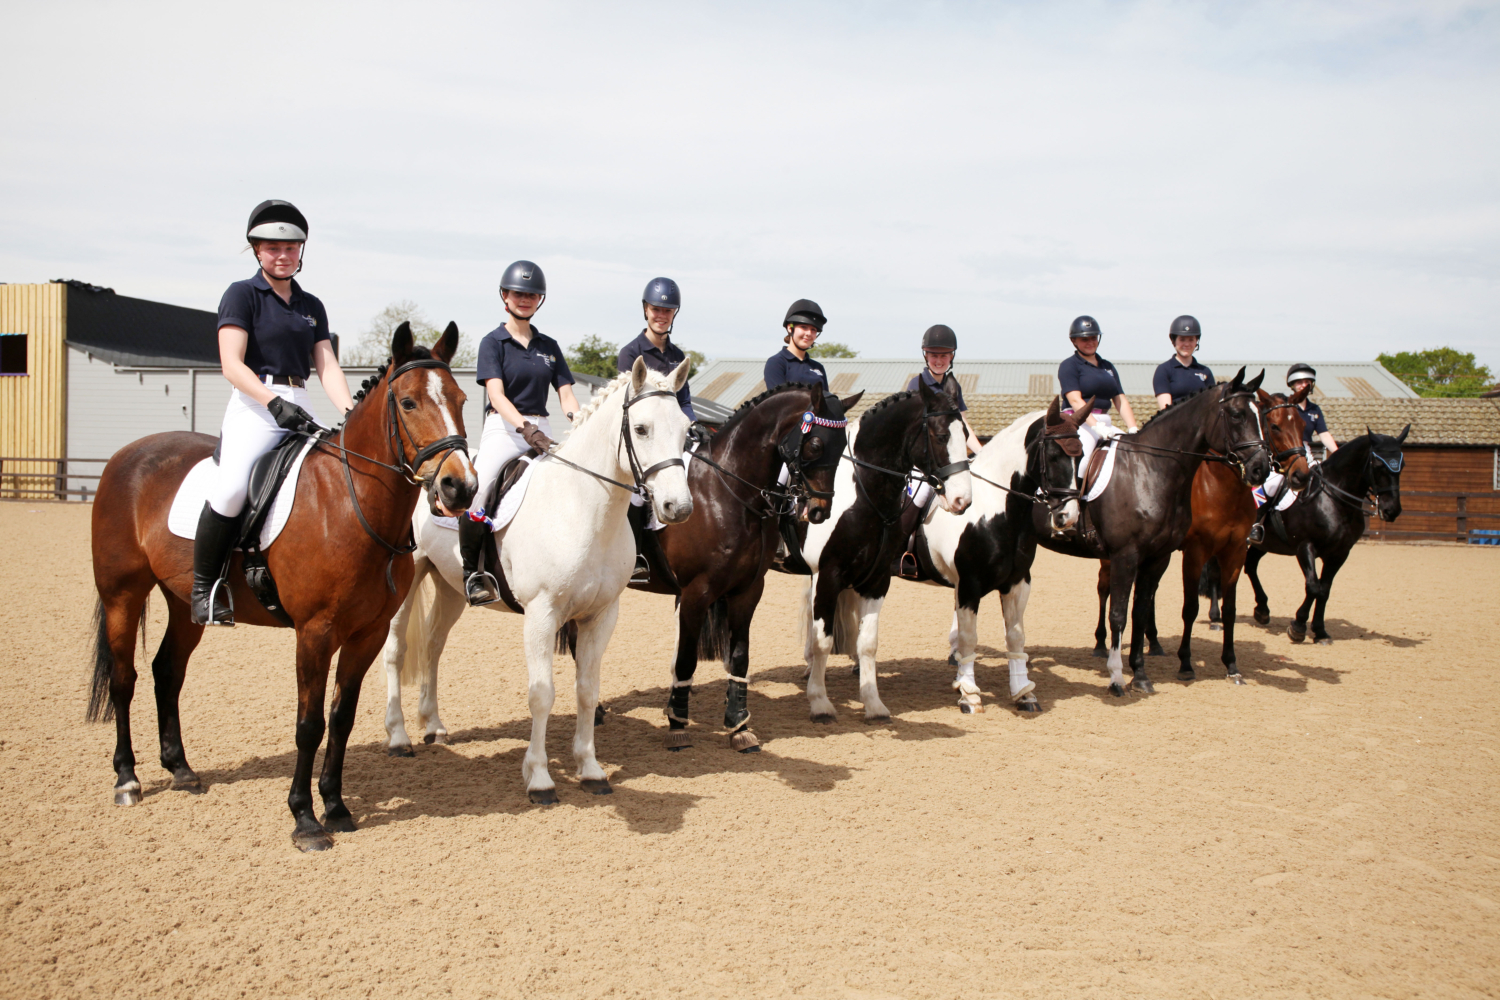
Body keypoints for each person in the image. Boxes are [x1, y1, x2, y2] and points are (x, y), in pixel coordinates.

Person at [191, 199, 355, 627]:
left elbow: (327, 365)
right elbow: (231, 363)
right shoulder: (242, 294)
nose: (282, 256)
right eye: (272, 249)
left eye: (291, 248)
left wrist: (350, 409)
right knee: (230, 489)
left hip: (300, 402)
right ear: (257, 251)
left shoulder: (310, 305)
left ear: (301, 251)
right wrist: (271, 402)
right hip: (254, 405)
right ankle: (206, 588)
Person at [460, 260, 582, 606]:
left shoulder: (548, 346)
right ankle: (472, 573)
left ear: (539, 299)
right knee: (480, 488)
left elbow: (566, 395)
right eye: (518, 293)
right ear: (505, 295)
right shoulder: (493, 342)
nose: (524, 299)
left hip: (542, 427)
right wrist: (525, 429)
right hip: (505, 428)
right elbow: (496, 396)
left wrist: (579, 420)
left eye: (531, 294)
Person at [616, 277, 695, 582]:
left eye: (668, 310)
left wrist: (693, 424)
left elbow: (684, 402)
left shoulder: (677, 356)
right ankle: (636, 555)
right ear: (646, 310)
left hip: (672, 436)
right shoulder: (631, 353)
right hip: (644, 436)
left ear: (674, 313)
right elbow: (629, 402)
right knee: (638, 494)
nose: (661, 315)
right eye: (656, 309)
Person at [1057, 315, 1139, 467]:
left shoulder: (1107, 366)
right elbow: (1075, 400)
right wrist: (1095, 426)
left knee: (1132, 454)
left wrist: (1133, 428)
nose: (1090, 342)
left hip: (1105, 423)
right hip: (1079, 422)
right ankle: (1076, 491)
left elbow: (1120, 400)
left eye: (1093, 338)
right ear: (1074, 341)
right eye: (1084, 339)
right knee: (1083, 462)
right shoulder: (1069, 365)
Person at [904, 324, 983, 455]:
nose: (939, 361)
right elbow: (911, 428)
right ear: (926, 356)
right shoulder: (916, 385)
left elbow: (962, 424)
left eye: (944, 356)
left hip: (947, 456)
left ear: (951, 357)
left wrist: (981, 452)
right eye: (934, 355)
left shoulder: (954, 387)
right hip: (923, 457)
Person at [763, 299, 830, 390]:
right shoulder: (776, 363)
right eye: (804, 327)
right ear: (790, 328)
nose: (809, 333)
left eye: (813, 329)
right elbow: (778, 401)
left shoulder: (818, 367)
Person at [1153, 315, 1214, 408]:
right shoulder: (1164, 370)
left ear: (1196, 341)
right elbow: (1166, 411)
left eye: (1191, 339)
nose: (1187, 344)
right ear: (1174, 340)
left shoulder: (1205, 371)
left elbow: (1212, 405)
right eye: (1182, 339)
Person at [1286, 363, 1338, 456]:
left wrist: (1338, 454)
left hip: (1306, 452)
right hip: (1287, 452)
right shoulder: (1285, 406)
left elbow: (1324, 435)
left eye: (1307, 382)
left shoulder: (1314, 409)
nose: (1304, 385)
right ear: (1292, 385)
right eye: (1299, 382)